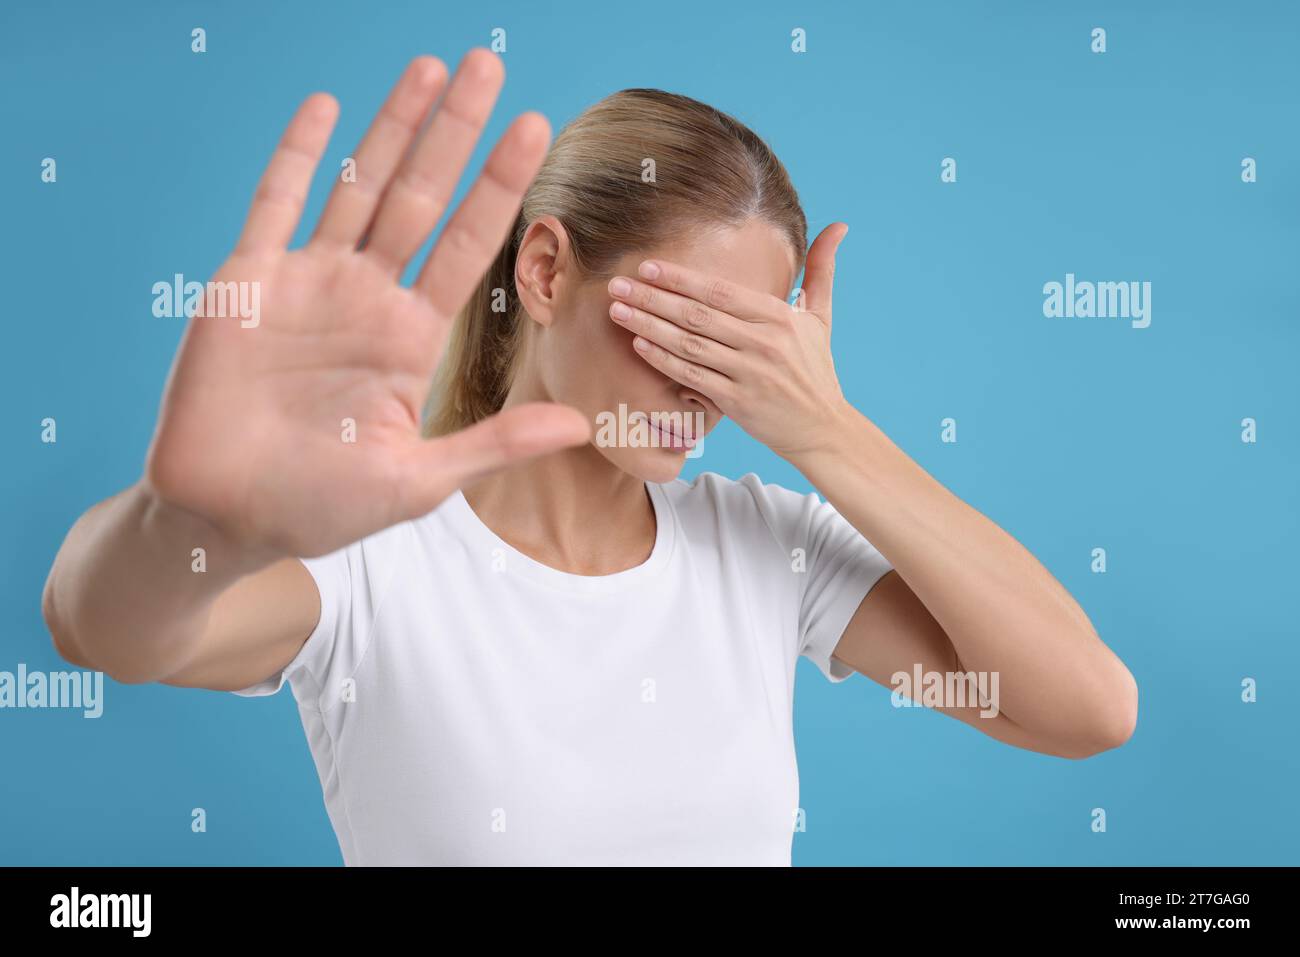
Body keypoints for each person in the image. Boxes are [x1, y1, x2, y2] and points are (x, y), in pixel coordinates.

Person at [42, 48, 1138, 866]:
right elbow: (105, 631)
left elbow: (1086, 709)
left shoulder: (763, 546)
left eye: (753, 351)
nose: (708, 385)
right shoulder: (371, 555)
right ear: (549, 272)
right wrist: (191, 522)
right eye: (682, 329)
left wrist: (826, 432)